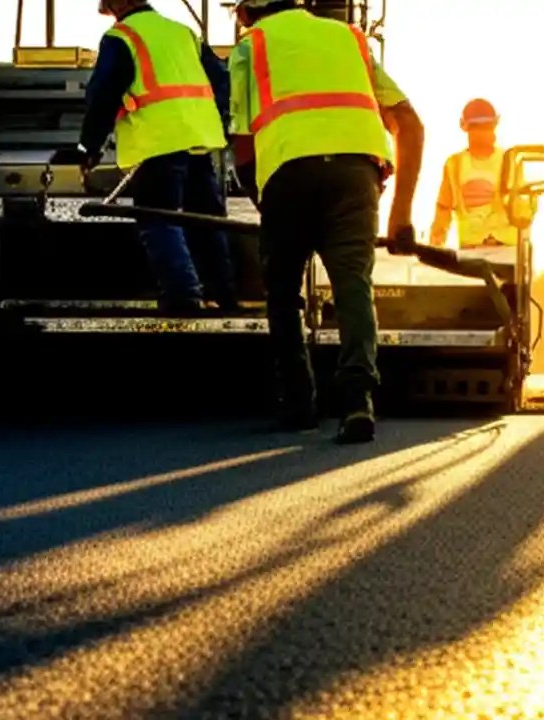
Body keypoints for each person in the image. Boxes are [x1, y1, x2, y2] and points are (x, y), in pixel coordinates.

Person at [227, 0, 424, 443]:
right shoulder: (350, 38)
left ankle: (299, 404)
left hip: (288, 174)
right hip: (357, 175)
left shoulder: (251, 46)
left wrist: (260, 198)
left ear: (244, 14)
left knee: (282, 292)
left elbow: (242, 142)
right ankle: (358, 402)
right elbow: (410, 124)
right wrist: (401, 216)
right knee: (353, 286)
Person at [79, 0, 238, 313]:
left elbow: (103, 95)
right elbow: (221, 80)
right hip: (200, 139)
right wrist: (215, 121)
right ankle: (224, 293)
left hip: (159, 141)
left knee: (158, 218)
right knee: (205, 219)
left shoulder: (123, 37)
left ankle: (184, 296)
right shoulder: (183, 33)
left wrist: (90, 147)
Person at [428, 99, 523, 251]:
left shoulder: (508, 161)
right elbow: (444, 207)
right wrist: (436, 242)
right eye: (477, 127)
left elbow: (523, 205)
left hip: (507, 247)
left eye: (487, 127)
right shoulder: (454, 164)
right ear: (465, 128)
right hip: (471, 249)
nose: (483, 133)